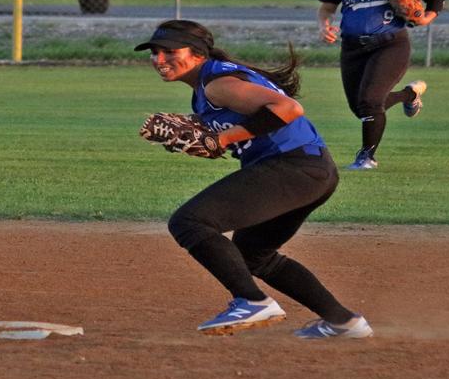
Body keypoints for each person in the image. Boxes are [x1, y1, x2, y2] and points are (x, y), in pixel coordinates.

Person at [136, 19, 374, 340]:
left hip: (294, 166)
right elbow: (244, 123)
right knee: (252, 255)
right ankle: (344, 322)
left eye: (168, 51)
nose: (159, 60)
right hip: (312, 171)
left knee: (189, 222)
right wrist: (208, 136)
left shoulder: (216, 83)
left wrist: (222, 140)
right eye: (154, 53)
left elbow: (288, 108)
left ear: (196, 54)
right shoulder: (208, 86)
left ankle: (251, 301)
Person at [317, 0, 446, 170]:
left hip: (391, 45)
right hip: (352, 48)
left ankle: (366, 157)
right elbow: (327, 8)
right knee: (361, 108)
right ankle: (409, 94)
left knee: (369, 101)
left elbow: (436, 0)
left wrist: (424, 19)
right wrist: (324, 26)